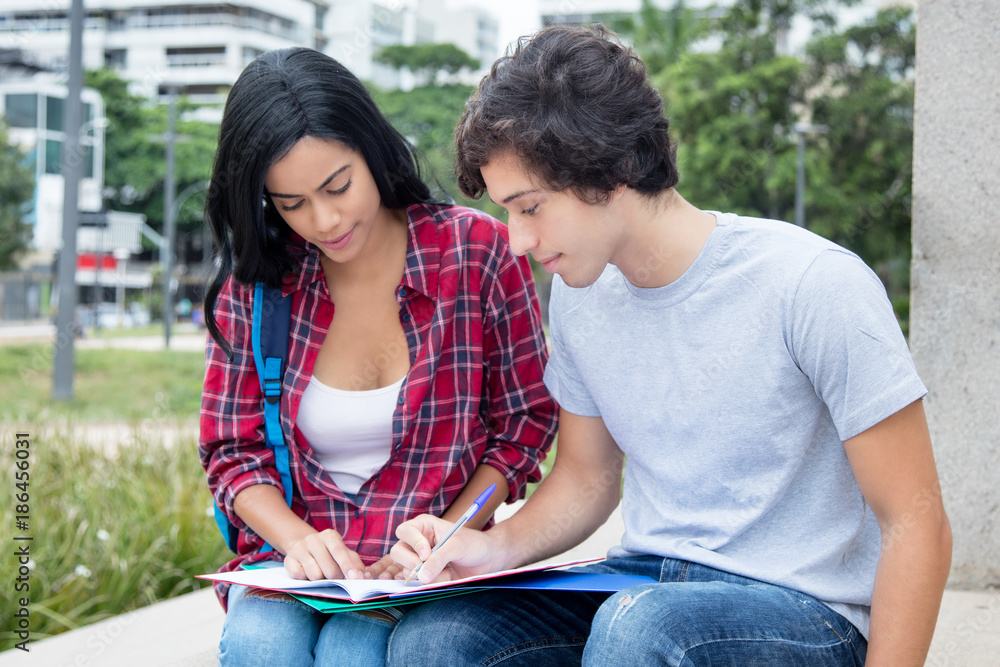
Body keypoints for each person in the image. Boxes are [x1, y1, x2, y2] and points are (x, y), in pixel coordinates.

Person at [387, 24, 952, 666]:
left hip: (805, 613)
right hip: (646, 584)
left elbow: (916, 521)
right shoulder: (580, 295)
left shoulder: (811, 283)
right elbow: (586, 477)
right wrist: (492, 546)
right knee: (438, 639)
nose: (516, 240)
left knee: (640, 630)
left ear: (616, 166)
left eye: (531, 207)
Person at [198, 47, 556, 666]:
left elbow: (523, 429)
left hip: (430, 561)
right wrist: (300, 542)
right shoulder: (258, 286)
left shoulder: (476, 253)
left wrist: (446, 531)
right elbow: (233, 451)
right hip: (298, 566)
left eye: (338, 186)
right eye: (291, 203)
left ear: (371, 149)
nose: (325, 220)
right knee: (261, 645)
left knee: (356, 651)